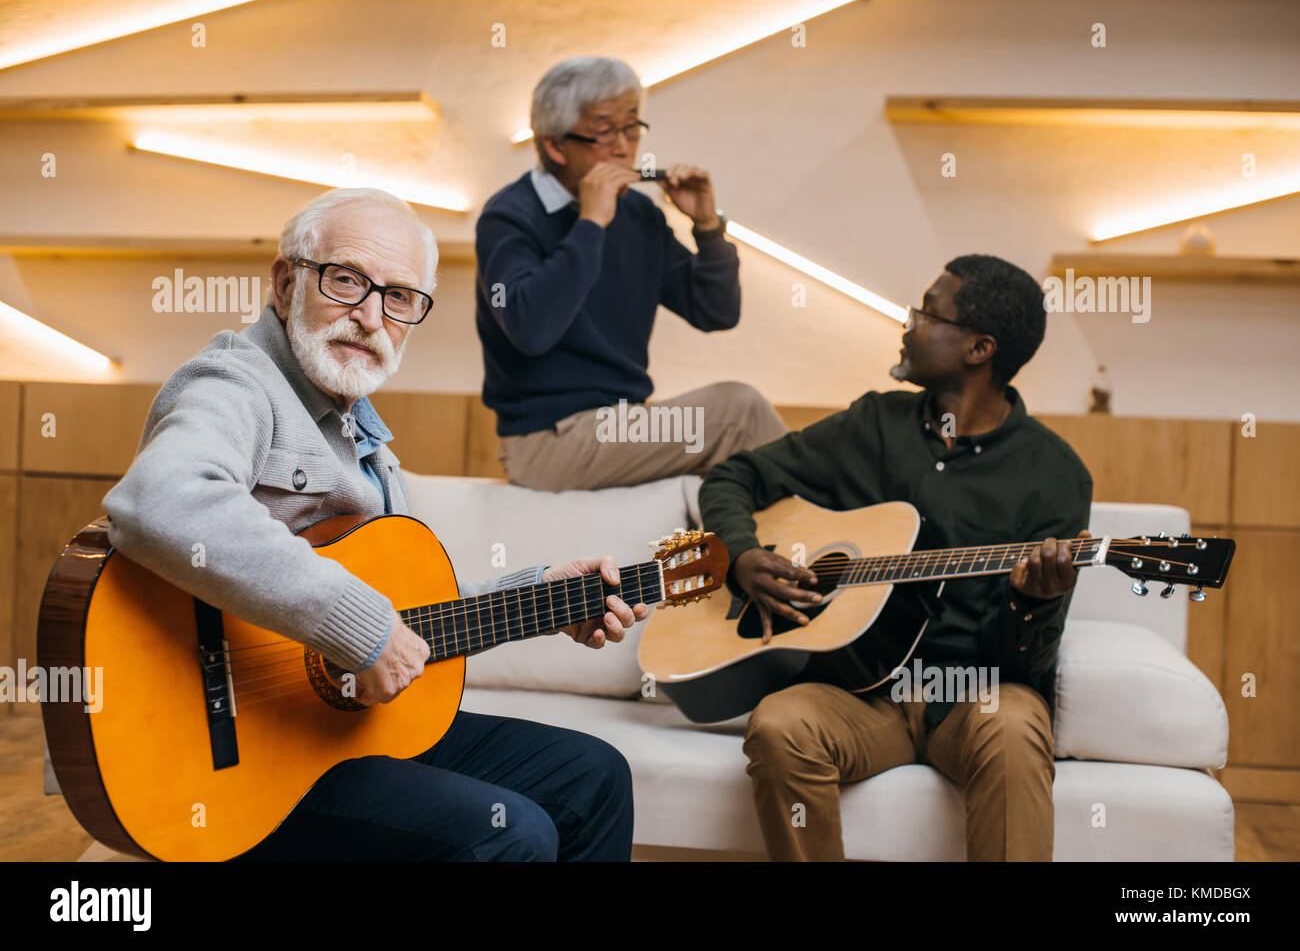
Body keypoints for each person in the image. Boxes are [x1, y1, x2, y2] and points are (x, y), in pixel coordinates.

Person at [102, 187, 647, 861]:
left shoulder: (363, 436)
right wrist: (356, 622)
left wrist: (540, 595)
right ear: (285, 281)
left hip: (338, 732)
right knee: (514, 831)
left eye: (398, 298)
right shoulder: (235, 383)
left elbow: (404, 619)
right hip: (246, 756)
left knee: (596, 776)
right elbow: (161, 496)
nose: (369, 316)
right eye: (348, 280)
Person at [698, 255, 1094, 861]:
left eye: (925, 313)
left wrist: (1032, 604)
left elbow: (1029, 662)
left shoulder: (1055, 475)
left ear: (978, 348)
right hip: (857, 694)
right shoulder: (872, 423)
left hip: (975, 697)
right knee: (780, 725)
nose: (906, 325)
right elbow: (734, 475)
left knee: (1016, 728)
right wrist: (743, 555)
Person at [475, 55, 786, 491]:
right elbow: (531, 328)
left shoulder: (637, 212)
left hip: (623, 424)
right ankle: (835, 539)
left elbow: (716, 313)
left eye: (631, 127)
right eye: (604, 132)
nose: (624, 147)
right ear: (555, 146)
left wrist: (708, 228)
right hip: (544, 439)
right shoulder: (509, 215)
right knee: (740, 410)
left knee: (738, 472)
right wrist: (590, 223)